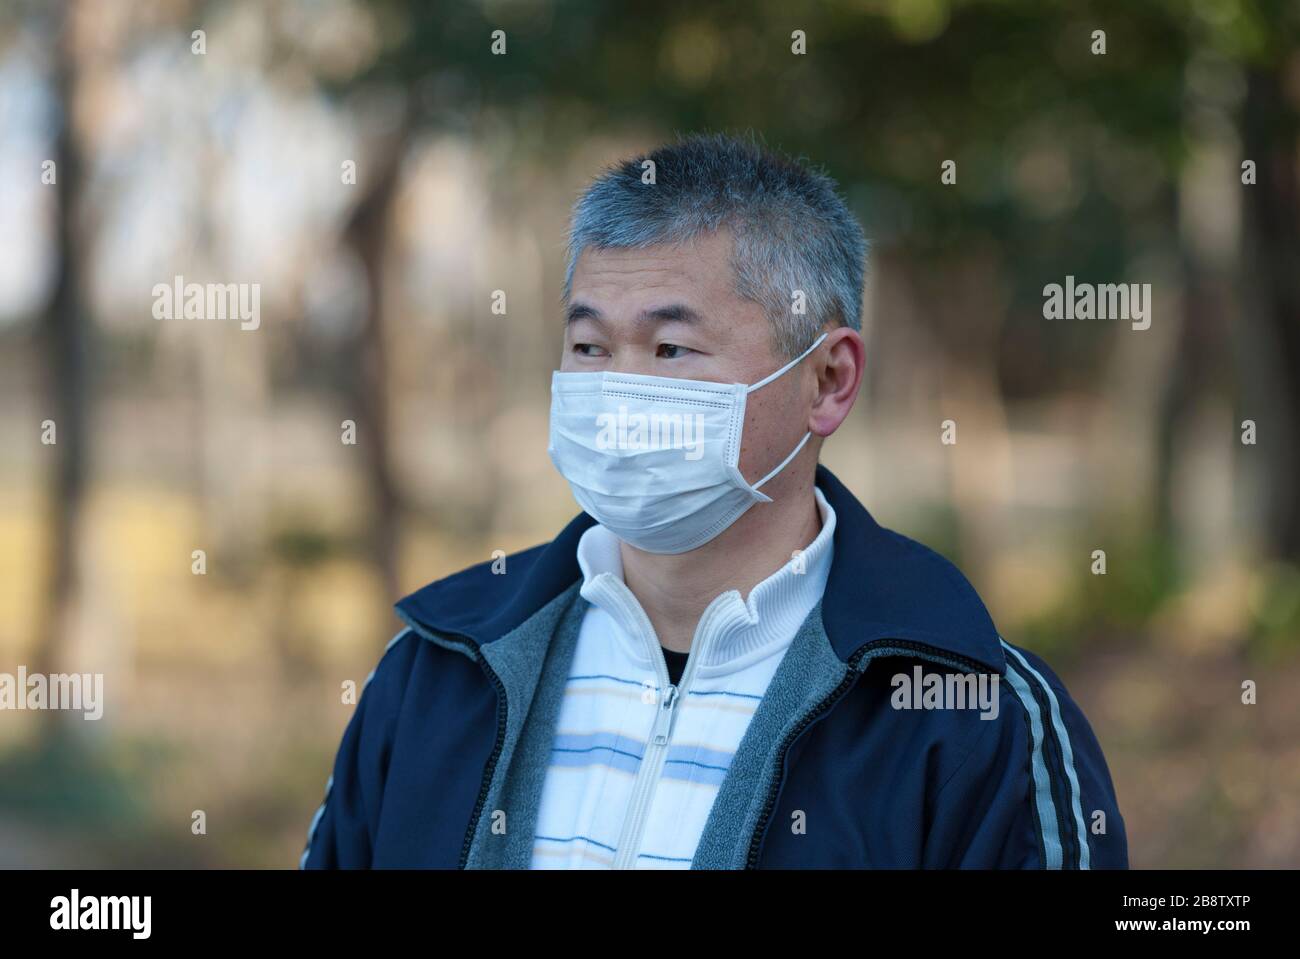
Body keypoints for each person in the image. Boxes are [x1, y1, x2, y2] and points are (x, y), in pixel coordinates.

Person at [300, 132, 1127, 869]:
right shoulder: (439, 673)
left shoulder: (970, 715)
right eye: (589, 345)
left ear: (828, 380)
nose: (617, 390)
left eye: (670, 347)